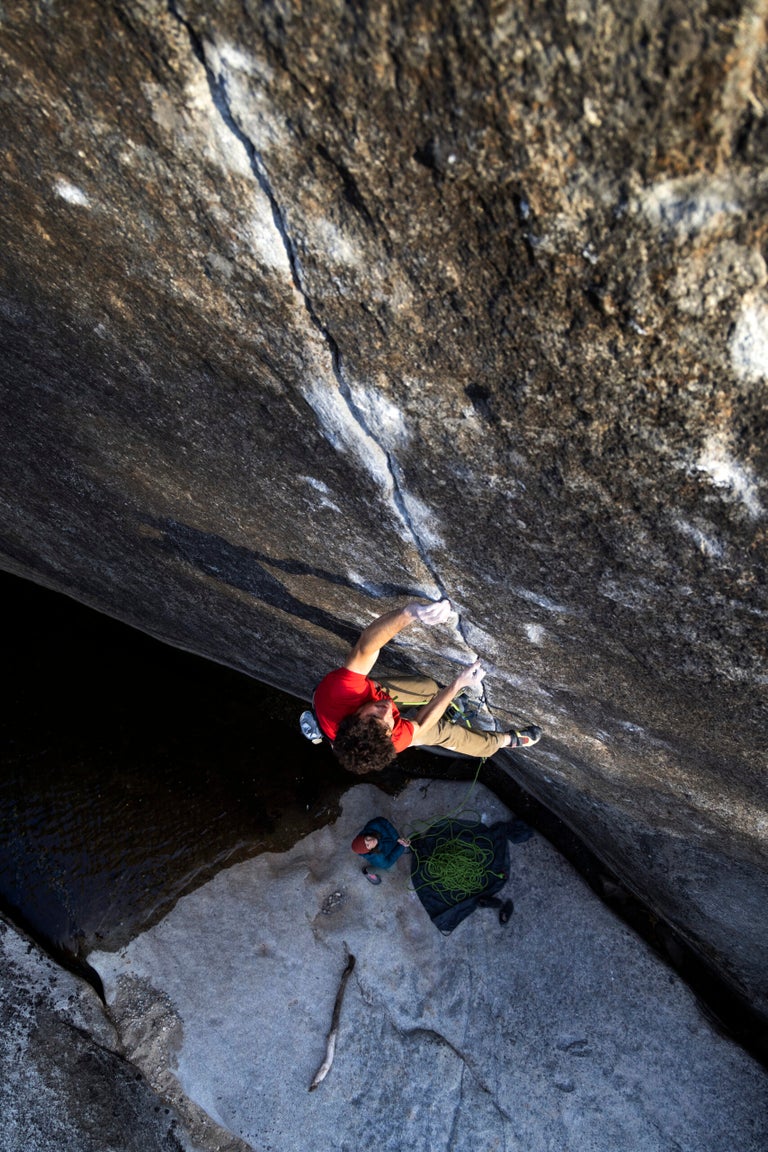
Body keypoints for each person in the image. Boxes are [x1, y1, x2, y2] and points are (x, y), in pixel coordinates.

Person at [314, 598, 542, 774]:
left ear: (355, 715)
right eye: (387, 725)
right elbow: (421, 724)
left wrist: (410, 613)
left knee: (427, 687)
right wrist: (457, 685)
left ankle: (440, 700)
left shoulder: (341, 693)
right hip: (361, 715)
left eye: (374, 716)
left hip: (344, 700)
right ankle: (503, 742)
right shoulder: (393, 738)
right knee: (444, 733)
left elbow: (366, 647)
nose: (386, 712)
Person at [351, 815, 411, 884]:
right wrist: (402, 846)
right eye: (368, 845)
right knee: (391, 869)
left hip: (391, 843)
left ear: (365, 835)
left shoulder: (372, 826)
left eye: (367, 839)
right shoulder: (377, 858)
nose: (371, 841)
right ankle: (368, 871)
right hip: (385, 858)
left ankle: (399, 846)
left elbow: (383, 821)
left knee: (398, 845)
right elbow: (388, 863)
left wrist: (397, 838)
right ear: (369, 850)